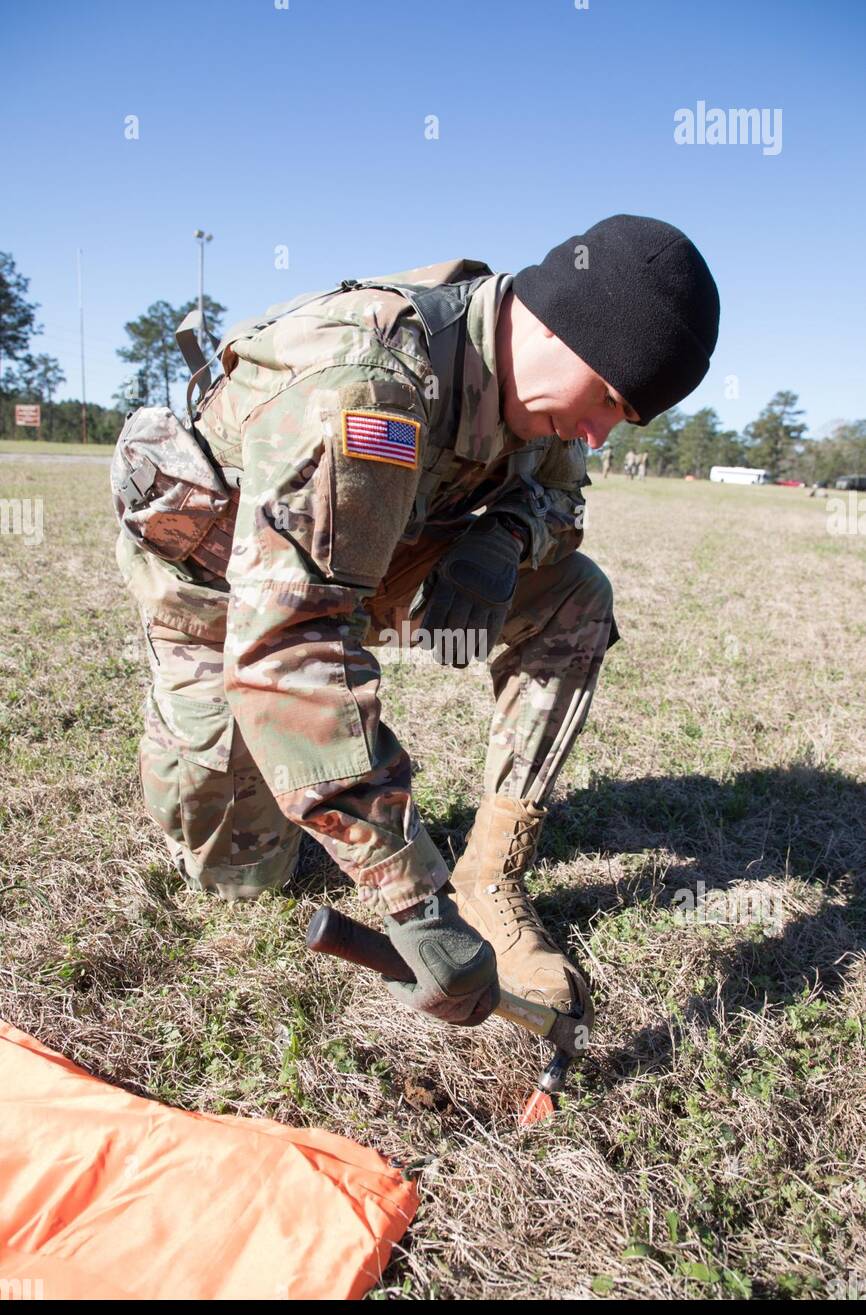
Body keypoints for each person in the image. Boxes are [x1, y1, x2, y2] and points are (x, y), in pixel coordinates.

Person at [113, 215, 720, 1030]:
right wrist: (413, 906)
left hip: (371, 563)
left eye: (622, 421)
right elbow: (293, 644)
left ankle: (489, 871)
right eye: (606, 401)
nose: (595, 434)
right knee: (242, 878)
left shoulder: (547, 392)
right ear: (547, 326)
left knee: (576, 592)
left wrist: (502, 539)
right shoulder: (363, 382)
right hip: (225, 597)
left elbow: (562, 497)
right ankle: (229, 766)